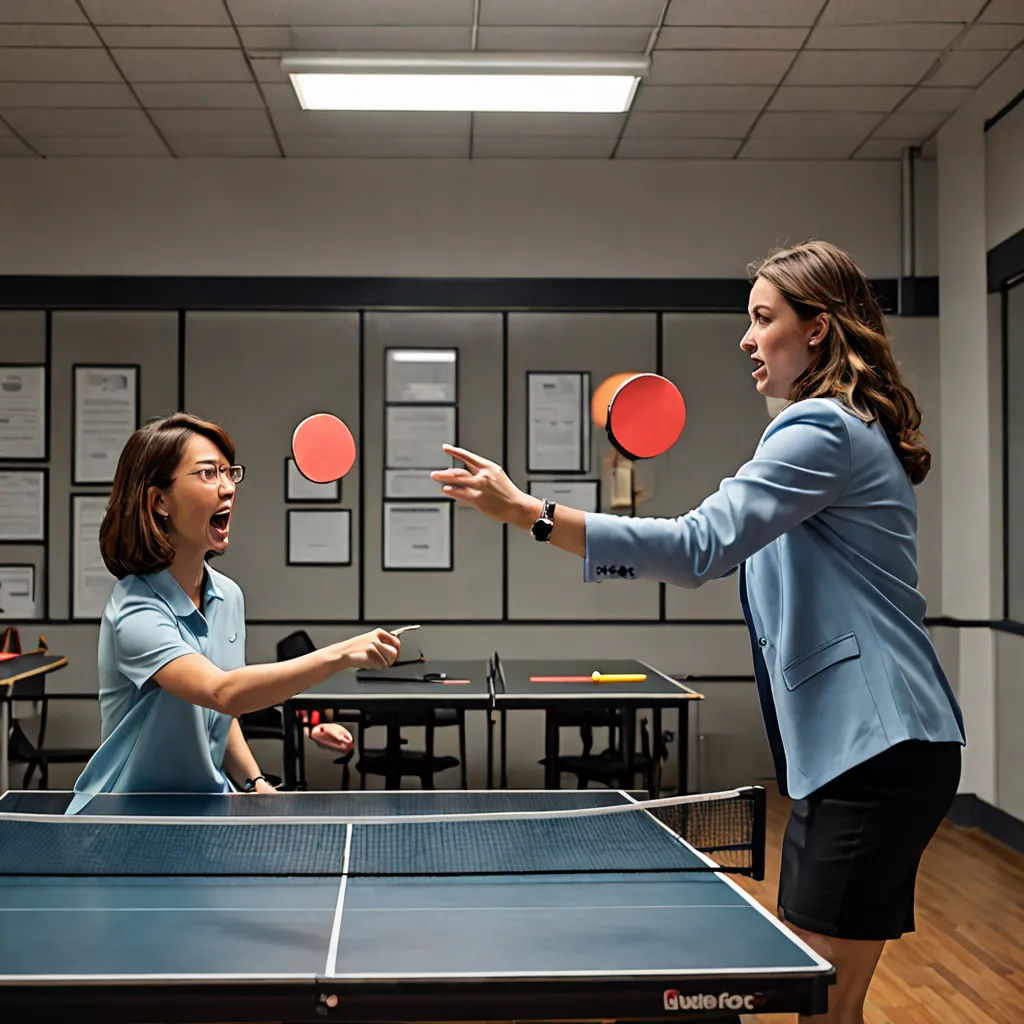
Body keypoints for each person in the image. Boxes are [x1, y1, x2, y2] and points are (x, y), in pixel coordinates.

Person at [431, 240, 965, 1024]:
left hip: (875, 751)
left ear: (817, 329)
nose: (747, 340)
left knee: (811, 998)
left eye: (762, 318)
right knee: (828, 1003)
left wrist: (533, 515)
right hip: (872, 751)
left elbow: (696, 547)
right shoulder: (840, 429)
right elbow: (710, 557)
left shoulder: (818, 428)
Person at [69, 413, 399, 811]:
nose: (228, 488)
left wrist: (255, 781)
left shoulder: (228, 596)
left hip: (205, 808)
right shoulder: (135, 609)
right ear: (159, 501)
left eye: (229, 472)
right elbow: (222, 693)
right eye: (208, 474)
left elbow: (219, 716)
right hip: (128, 816)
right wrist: (341, 654)